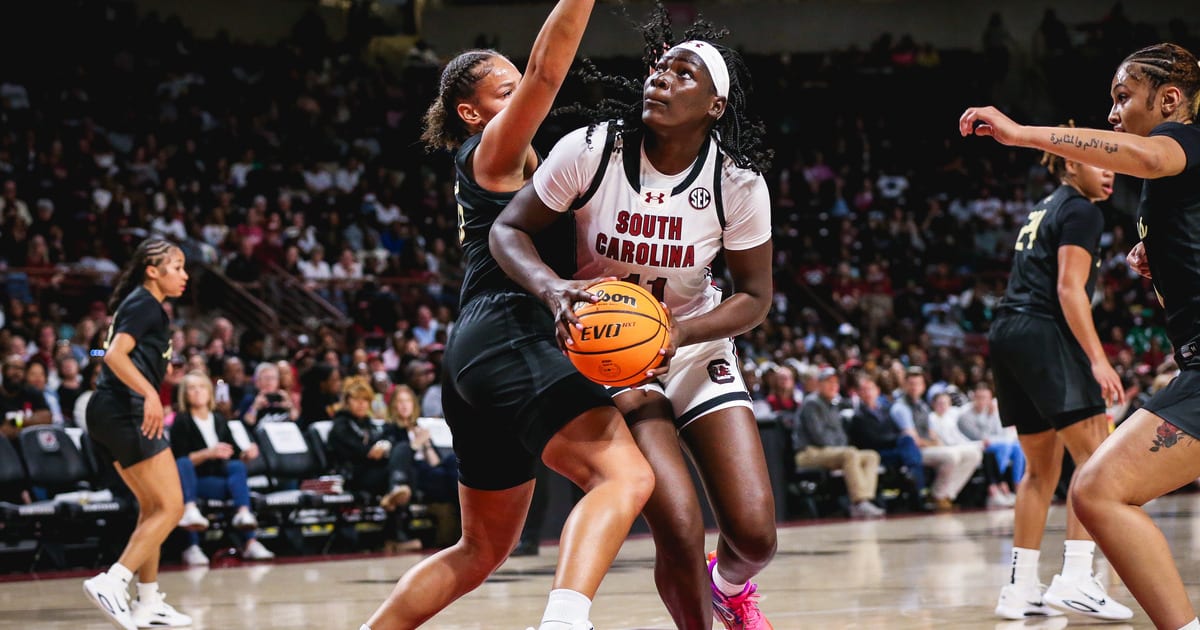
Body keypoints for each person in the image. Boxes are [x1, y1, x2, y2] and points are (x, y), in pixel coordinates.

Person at [360, 2, 655, 629]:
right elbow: (549, 74)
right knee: (624, 475)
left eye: (518, 83)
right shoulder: (486, 156)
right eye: (506, 88)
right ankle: (565, 621)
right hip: (510, 329)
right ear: (473, 113)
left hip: (475, 350)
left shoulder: (539, 176)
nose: (523, 92)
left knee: (480, 549)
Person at [491, 13, 777, 628]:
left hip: (693, 345)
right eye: (659, 68)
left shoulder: (737, 183)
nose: (661, 79)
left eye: (684, 73)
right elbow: (507, 229)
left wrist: (682, 332)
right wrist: (552, 288)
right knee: (677, 522)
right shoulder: (592, 151)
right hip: (617, 355)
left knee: (755, 537)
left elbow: (754, 298)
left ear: (715, 103)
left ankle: (727, 588)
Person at [962, 42, 1200, 630]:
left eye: (1122, 97)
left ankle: (1067, 579)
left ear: (1169, 100)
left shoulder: (1180, 144)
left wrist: (1021, 133)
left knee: (1093, 486)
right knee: (1083, 481)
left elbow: (1139, 155)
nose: (1113, 113)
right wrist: (1166, 251)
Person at [961, 118, 1134, 621]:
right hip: (1042, 332)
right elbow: (1068, 288)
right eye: (1099, 162)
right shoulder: (1080, 210)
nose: (1111, 173)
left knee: (1040, 471)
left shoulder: (1045, 207)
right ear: (1071, 160)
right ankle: (1078, 577)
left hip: (1007, 333)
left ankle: (1019, 589)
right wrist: (1099, 359)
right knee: (1098, 460)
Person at [80, 238, 192, 629]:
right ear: (152, 269)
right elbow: (112, 355)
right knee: (172, 507)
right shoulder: (145, 303)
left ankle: (148, 602)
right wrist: (150, 393)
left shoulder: (141, 305)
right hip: (125, 410)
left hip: (110, 411)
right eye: (176, 266)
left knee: (152, 508)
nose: (184, 275)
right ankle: (114, 580)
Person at [170, 370, 274, 566]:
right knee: (183, 464)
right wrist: (208, 453)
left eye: (201, 387)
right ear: (184, 394)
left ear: (210, 392)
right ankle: (191, 540)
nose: (197, 392)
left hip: (218, 480)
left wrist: (246, 454)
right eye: (192, 388)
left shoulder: (218, 418)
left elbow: (232, 452)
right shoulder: (181, 421)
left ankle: (249, 535)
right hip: (194, 482)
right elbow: (180, 459)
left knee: (236, 466)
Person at [795, 367, 885, 517]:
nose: (833, 386)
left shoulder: (833, 404)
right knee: (850, 453)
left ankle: (865, 500)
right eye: (829, 382)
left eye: (836, 383)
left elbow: (841, 436)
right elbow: (819, 437)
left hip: (831, 452)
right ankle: (859, 502)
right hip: (808, 453)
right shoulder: (811, 403)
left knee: (871, 456)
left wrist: (841, 446)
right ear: (819, 384)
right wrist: (841, 446)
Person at [890, 368, 983, 512]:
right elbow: (913, 439)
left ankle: (947, 494)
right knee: (951, 456)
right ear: (905, 385)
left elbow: (933, 434)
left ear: (923, 386)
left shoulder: (922, 406)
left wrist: (934, 442)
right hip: (913, 452)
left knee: (973, 454)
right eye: (911, 384)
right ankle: (937, 495)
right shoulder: (900, 407)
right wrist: (933, 442)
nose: (914, 387)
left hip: (929, 447)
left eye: (918, 383)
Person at [955, 382, 1025, 506]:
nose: (982, 401)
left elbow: (1002, 432)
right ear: (973, 398)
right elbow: (980, 437)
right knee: (1005, 446)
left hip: (996, 444)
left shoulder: (993, 411)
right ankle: (999, 485)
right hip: (976, 446)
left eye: (985, 398)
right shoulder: (965, 416)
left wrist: (994, 415)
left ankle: (1018, 487)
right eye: (979, 397)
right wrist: (989, 416)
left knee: (1018, 447)